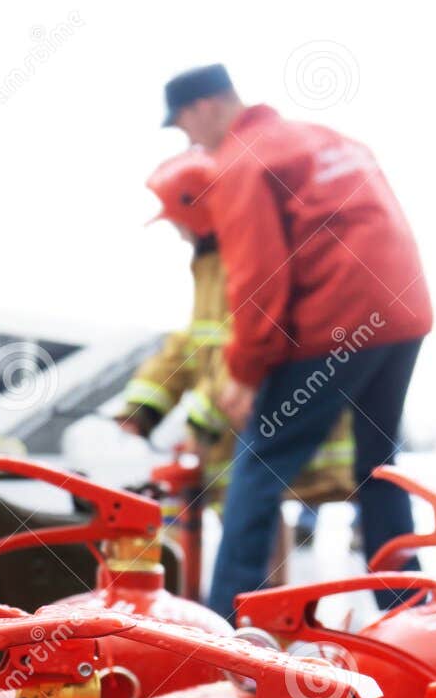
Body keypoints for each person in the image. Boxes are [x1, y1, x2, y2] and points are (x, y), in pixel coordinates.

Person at [160, 64, 431, 620]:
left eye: (185, 126)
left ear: (205, 106)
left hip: (338, 321)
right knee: (378, 469)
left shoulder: (241, 160)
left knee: (258, 465)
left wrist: (244, 370)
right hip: (403, 316)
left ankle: (226, 628)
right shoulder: (327, 140)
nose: (191, 142)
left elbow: (258, 278)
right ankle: (410, 616)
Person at [124, 150, 353, 579]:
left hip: (246, 419)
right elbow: (194, 345)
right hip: (231, 426)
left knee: (254, 521)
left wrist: (200, 423)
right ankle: (258, 611)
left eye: (177, 222)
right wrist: (142, 408)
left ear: (197, 212)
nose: (179, 234)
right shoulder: (211, 264)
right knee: (252, 520)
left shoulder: (240, 259)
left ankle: (258, 614)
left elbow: (246, 348)